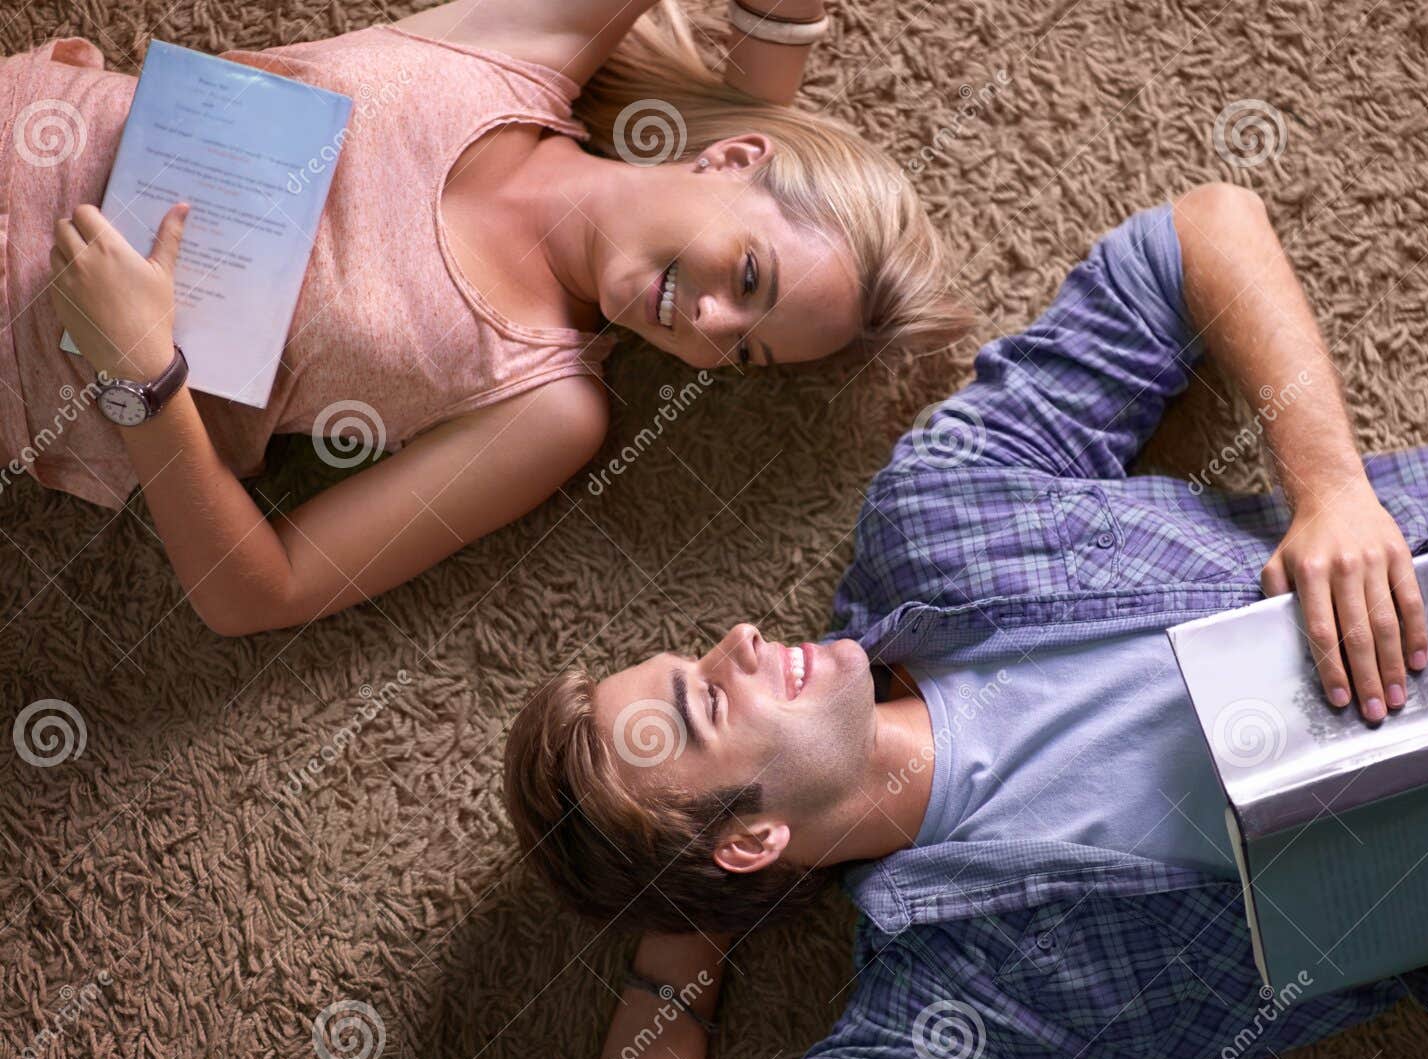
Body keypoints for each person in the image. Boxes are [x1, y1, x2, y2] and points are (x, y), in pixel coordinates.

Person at [503, 182, 1428, 1059]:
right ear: (750, 840)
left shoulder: (938, 522)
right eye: (702, 704)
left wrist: (1329, 489)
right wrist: (677, 934)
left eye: (695, 655)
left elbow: (1195, 234)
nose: (738, 640)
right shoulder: (958, 989)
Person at [0, 0, 965, 634]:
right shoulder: (521, 57)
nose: (707, 327)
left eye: (744, 351)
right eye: (749, 276)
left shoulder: (547, 406)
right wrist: (775, 34)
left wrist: (146, 381)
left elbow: (256, 593)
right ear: (731, 157)